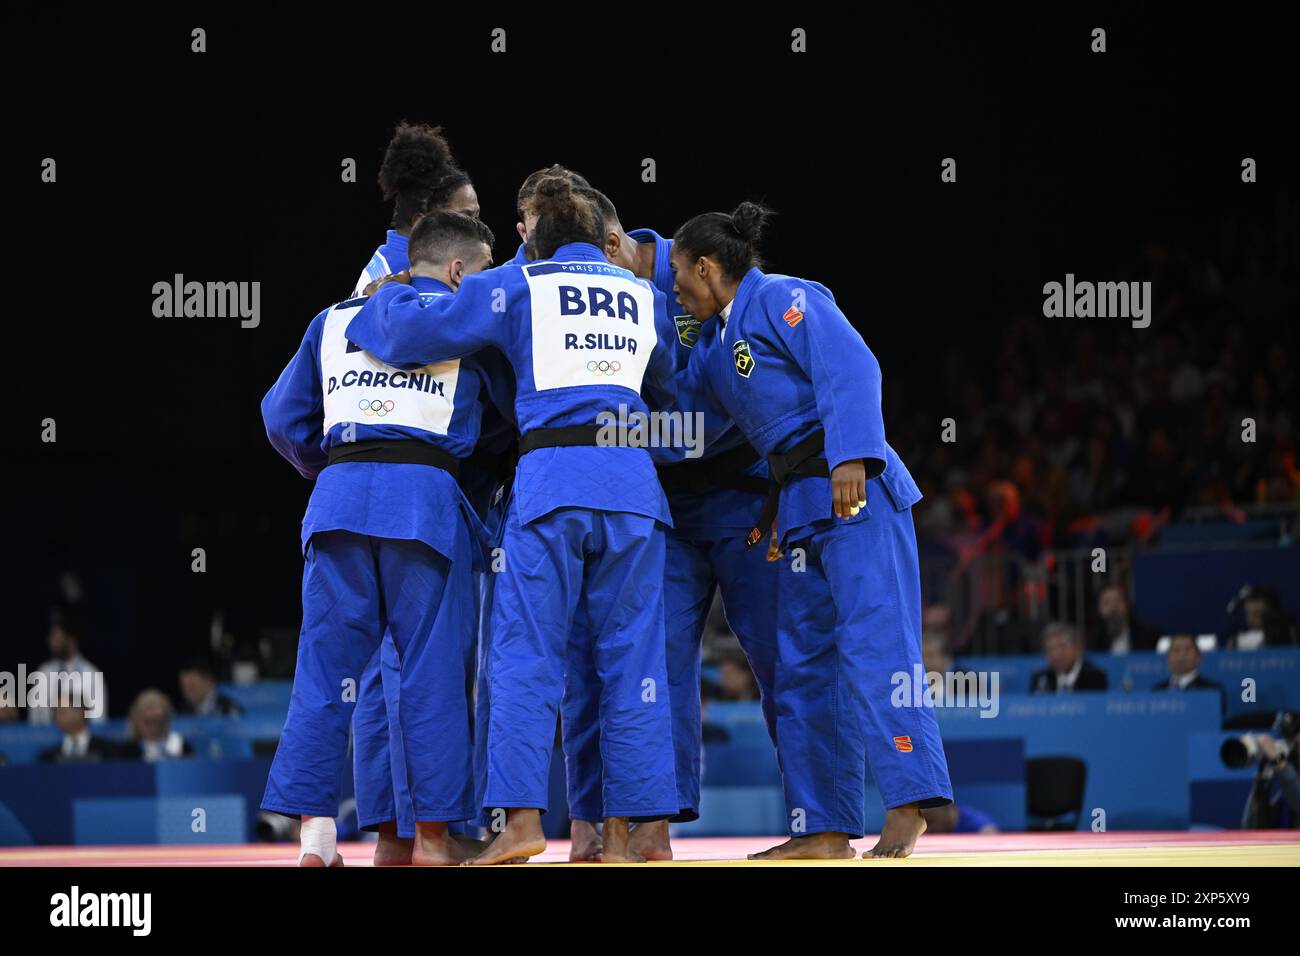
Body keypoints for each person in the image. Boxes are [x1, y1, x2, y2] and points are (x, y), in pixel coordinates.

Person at [345, 176, 681, 864]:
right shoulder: (646, 297)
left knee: (527, 658)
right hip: (633, 489)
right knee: (635, 664)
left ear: (536, 238)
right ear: (600, 237)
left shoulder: (521, 285)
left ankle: (522, 821)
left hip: (553, 484)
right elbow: (671, 378)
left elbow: (421, 332)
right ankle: (629, 838)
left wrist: (374, 306)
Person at [669, 201, 953, 860]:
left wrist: (851, 454)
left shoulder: (786, 298)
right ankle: (823, 828)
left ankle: (910, 804)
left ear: (708, 268)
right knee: (800, 667)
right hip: (797, 506)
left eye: (681, 278)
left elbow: (852, 368)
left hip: (852, 487)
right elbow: (690, 414)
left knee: (875, 642)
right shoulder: (711, 346)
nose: (678, 293)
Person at [260, 211, 501, 867]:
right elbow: (510, 416)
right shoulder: (466, 320)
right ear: (456, 269)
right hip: (421, 504)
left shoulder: (332, 318)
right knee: (430, 677)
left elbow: (280, 416)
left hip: (336, 499)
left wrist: (335, 461)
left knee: (322, 676)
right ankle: (429, 842)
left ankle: (314, 844)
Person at [596, 198, 780, 860]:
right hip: (664, 503)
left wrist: (632, 435)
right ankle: (652, 826)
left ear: (614, 243)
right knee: (654, 662)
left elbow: (735, 392)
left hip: (740, 489)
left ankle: (821, 819)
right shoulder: (593, 297)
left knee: (776, 654)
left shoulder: (697, 267)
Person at [352, 121, 479, 297]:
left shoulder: (389, 255)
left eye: (477, 217)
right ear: (421, 224)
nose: (477, 228)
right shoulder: (412, 273)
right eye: (465, 217)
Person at [28, 606, 106, 725]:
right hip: (45, 740)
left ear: (71, 639)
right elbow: (34, 717)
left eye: (56, 636)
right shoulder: (43, 671)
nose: (50, 641)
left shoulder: (92, 674)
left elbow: (99, 720)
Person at [1151, 633, 1225, 714]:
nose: (1181, 655)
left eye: (1187, 650)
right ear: (1167, 658)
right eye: (1176, 650)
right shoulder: (1157, 691)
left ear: (1199, 657)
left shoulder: (1212, 690)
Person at [1030, 623, 1109, 693]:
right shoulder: (1040, 678)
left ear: (1078, 649)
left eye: (1062, 647)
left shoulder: (1095, 677)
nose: (1056, 654)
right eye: (1050, 649)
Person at [39, 705, 127, 763]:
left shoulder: (111, 752)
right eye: (55, 712)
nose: (57, 715)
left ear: (82, 711)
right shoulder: (47, 758)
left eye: (62, 710)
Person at [125, 690, 193, 762]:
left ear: (167, 720)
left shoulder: (182, 748)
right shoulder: (128, 752)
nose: (153, 728)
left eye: (157, 721)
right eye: (148, 721)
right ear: (137, 721)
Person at [178, 660, 245, 717]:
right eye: (184, 687)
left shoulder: (229, 710)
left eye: (192, 686)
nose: (187, 692)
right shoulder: (183, 712)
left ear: (208, 682)